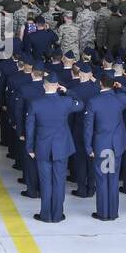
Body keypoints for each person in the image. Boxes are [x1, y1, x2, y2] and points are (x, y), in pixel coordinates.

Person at [24, 74, 83, 223]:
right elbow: (80, 104)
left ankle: (45, 214)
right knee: (59, 181)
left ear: (44, 86)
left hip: (42, 146)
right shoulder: (66, 101)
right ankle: (57, 214)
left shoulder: (35, 103)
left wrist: (29, 147)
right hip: (61, 146)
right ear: (57, 86)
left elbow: (29, 127)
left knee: (45, 182)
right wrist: (68, 91)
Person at [82, 72, 126, 222]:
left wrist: (88, 147)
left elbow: (88, 127)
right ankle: (113, 212)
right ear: (113, 84)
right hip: (116, 145)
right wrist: (122, 88)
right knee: (113, 178)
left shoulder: (93, 102)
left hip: (102, 146)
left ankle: (103, 213)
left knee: (102, 179)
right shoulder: (120, 99)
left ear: (100, 84)